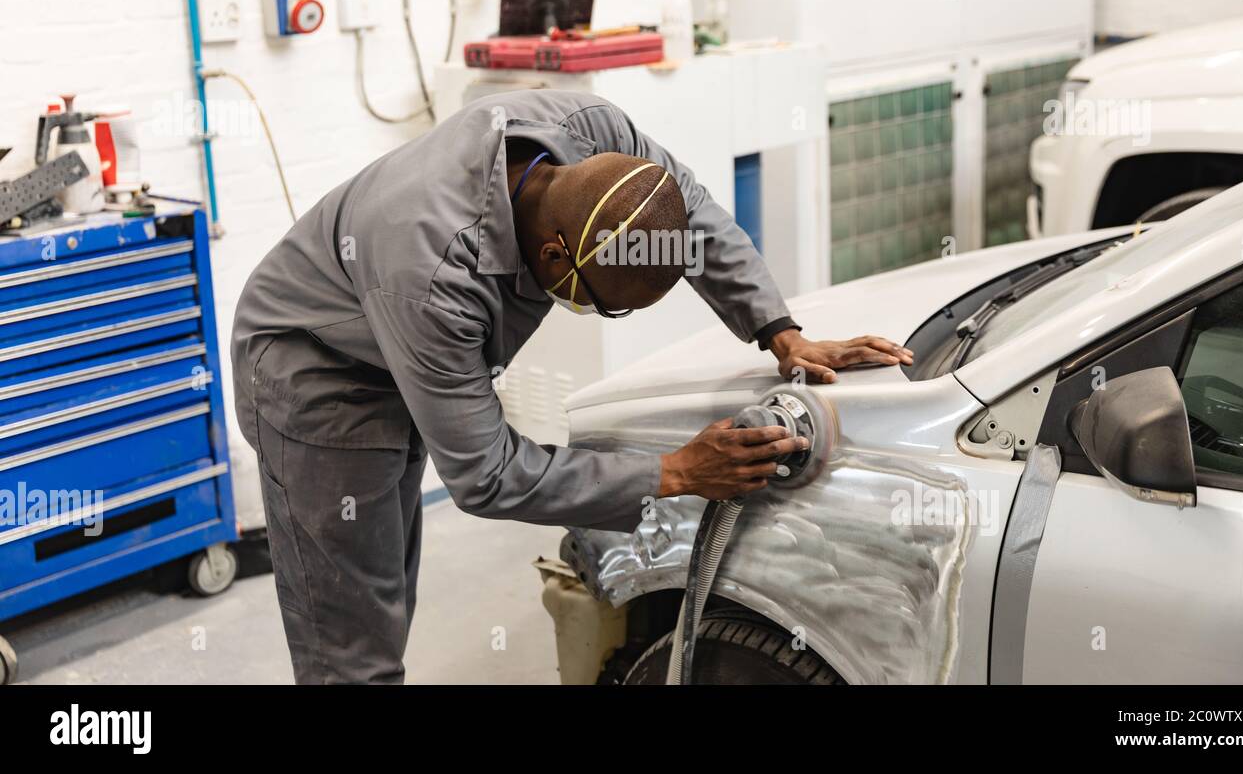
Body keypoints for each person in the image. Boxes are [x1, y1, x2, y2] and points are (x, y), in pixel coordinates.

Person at [231, 90, 912, 683]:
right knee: (352, 635)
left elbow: (691, 214)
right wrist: (675, 471)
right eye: (606, 304)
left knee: (384, 584)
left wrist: (780, 332)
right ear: (555, 254)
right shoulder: (434, 271)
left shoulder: (594, 134)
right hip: (320, 375)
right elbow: (485, 476)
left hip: (386, 329)